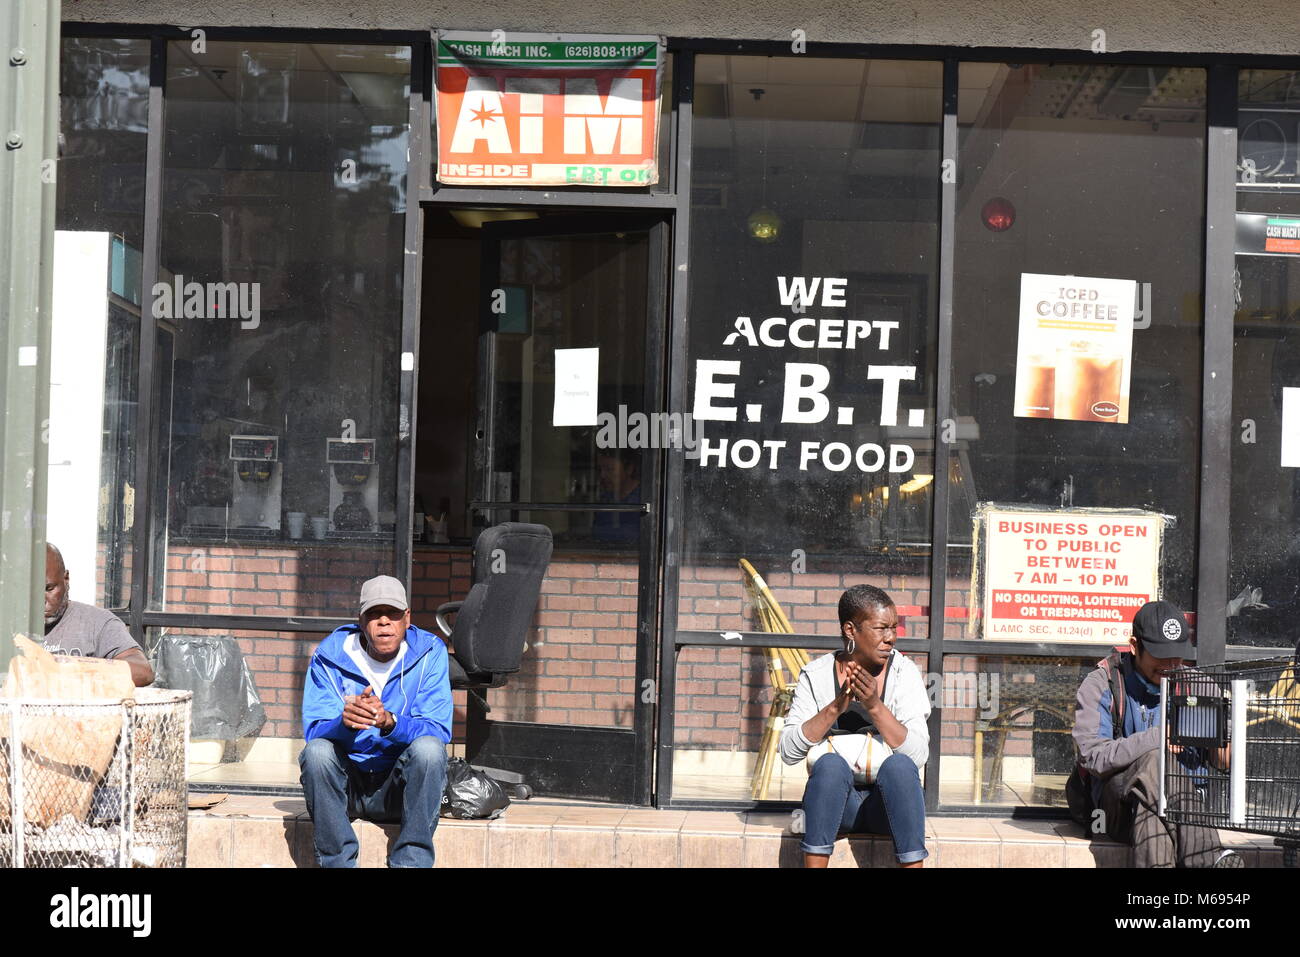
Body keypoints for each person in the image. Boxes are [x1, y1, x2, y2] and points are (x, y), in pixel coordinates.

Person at [1071, 599, 1242, 868]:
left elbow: (1226, 762)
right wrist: (1157, 738)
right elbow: (1093, 757)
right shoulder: (1102, 682)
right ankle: (1209, 858)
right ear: (1134, 645)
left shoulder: (1199, 686)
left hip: (1183, 810)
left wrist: (1223, 743)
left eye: (1177, 655)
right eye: (1160, 655)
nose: (1171, 664)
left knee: (1152, 820)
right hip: (1115, 808)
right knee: (1153, 758)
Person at [299, 575, 451, 868]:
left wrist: (391, 722)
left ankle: (411, 862)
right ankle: (337, 863)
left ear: (407, 618)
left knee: (430, 750)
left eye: (393, 614)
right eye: (374, 614)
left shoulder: (431, 653)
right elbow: (314, 729)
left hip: (398, 786)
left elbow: (438, 728)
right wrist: (342, 724)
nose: (384, 622)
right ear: (360, 620)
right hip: (348, 788)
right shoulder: (329, 656)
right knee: (317, 752)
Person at [780, 584, 931, 867]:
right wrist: (836, 707)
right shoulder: (816, 675)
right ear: (850, 630)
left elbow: (918, 755)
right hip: (836, 807)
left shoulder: (904, 673)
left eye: (894, 628)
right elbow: (788, 751)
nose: (890, 638)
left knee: (900, 767)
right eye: (880, 628)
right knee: (829, 765)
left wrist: (874, 705)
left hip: (888, 807)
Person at [42, 542, 154, 687]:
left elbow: (142, 671)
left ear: (66, 579)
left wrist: (73, 669)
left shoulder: (97, 622)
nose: (41, 600)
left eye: (49, 589)